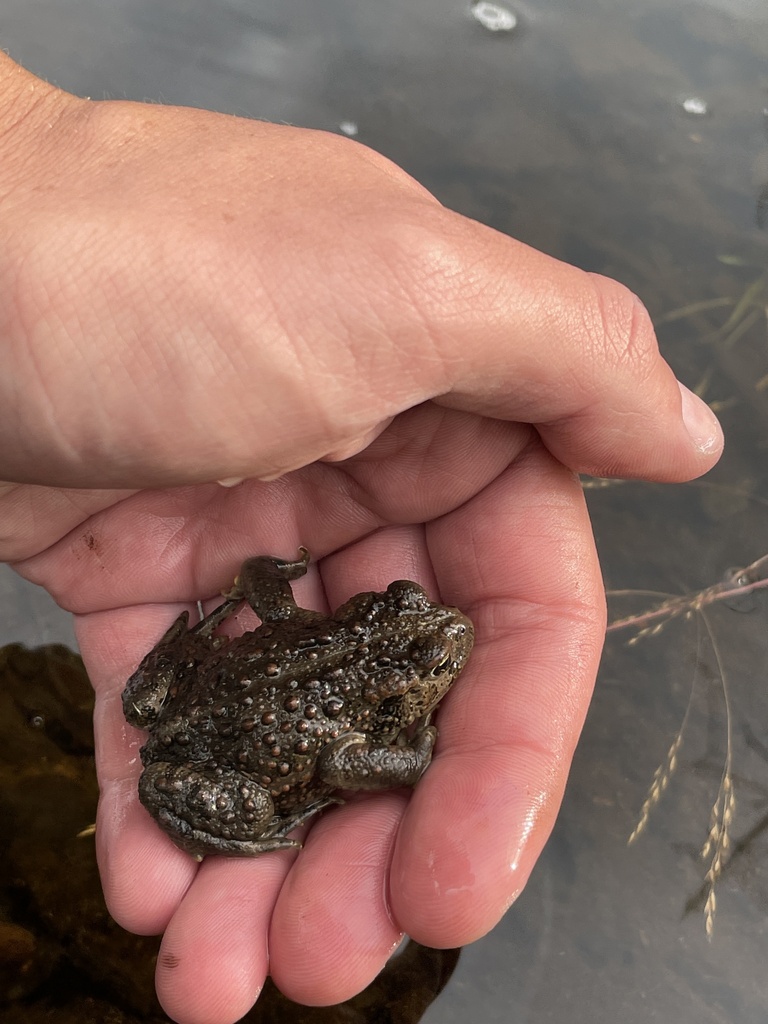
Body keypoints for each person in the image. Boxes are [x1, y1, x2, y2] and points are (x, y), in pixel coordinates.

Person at [0, 50, 722, 1024]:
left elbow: (262, 584)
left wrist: (40, 153)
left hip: (214, 693)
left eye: (417, 630)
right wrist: (414, 764)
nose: (443, 636)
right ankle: (263, 826)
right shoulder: (353, 706)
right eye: (420, 642)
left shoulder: (313, 626)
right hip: (223, 757)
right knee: (255, 815)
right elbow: (339, 756)